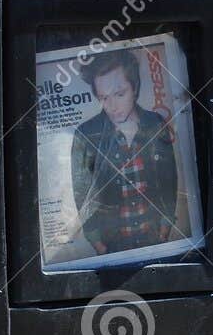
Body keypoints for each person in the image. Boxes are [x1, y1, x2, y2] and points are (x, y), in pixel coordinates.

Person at [70, 49, 180, 256]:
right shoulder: (86, 134)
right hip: (112, 243)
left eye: (120, 94)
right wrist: (98, 244)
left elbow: (169, 179)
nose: (113, 106)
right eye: (104, 97)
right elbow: (82, 190)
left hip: (154, 236)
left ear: (134, 88)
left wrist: (165, 227)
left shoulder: (154, 123)